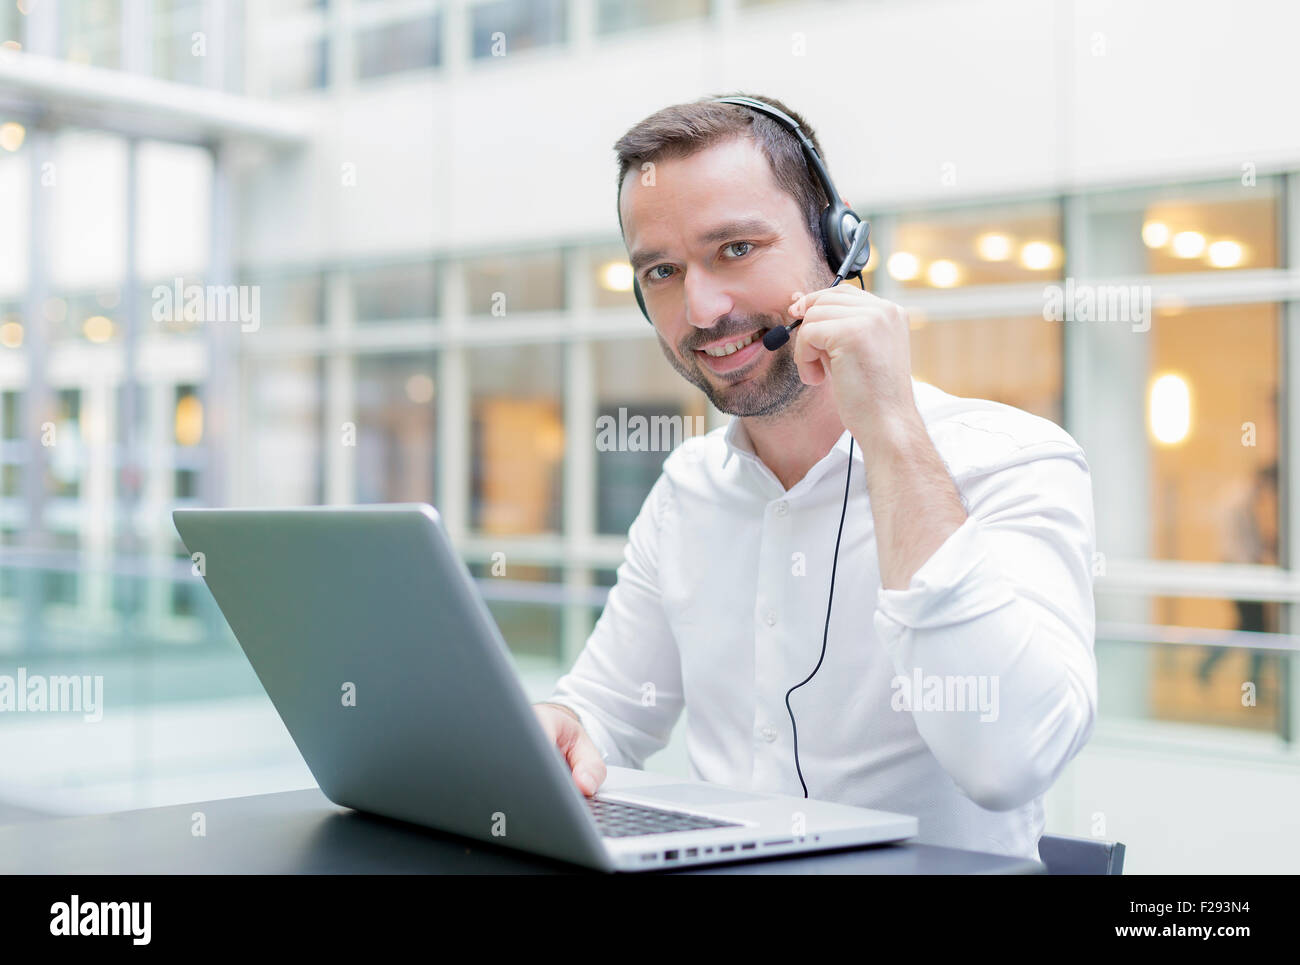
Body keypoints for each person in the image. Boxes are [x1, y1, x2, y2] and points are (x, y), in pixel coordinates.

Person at [533, 93, 1098, 860]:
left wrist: (892, 430)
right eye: (662, 270)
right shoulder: (687, 490)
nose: (702, 307)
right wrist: (565, 725)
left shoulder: (1010, 459)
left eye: (735, 248)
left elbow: (1009, 761)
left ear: (839, 241)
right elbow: (607, 714)